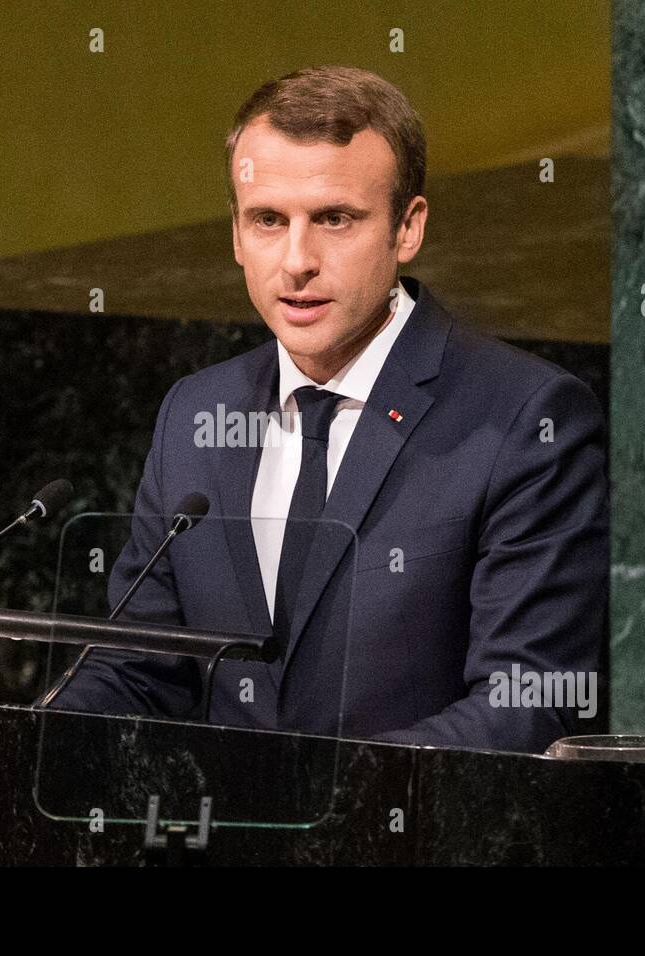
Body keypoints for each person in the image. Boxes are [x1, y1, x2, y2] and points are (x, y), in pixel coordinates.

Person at [47, 65, 607, 753]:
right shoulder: (196, 413)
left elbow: (525, 704)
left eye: (335, 219)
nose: (296, 261)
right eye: (268, 220)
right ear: (234, 234)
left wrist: (331, 811)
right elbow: (138, 671)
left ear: (408, 228)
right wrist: (18, 743)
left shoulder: (526, 420)